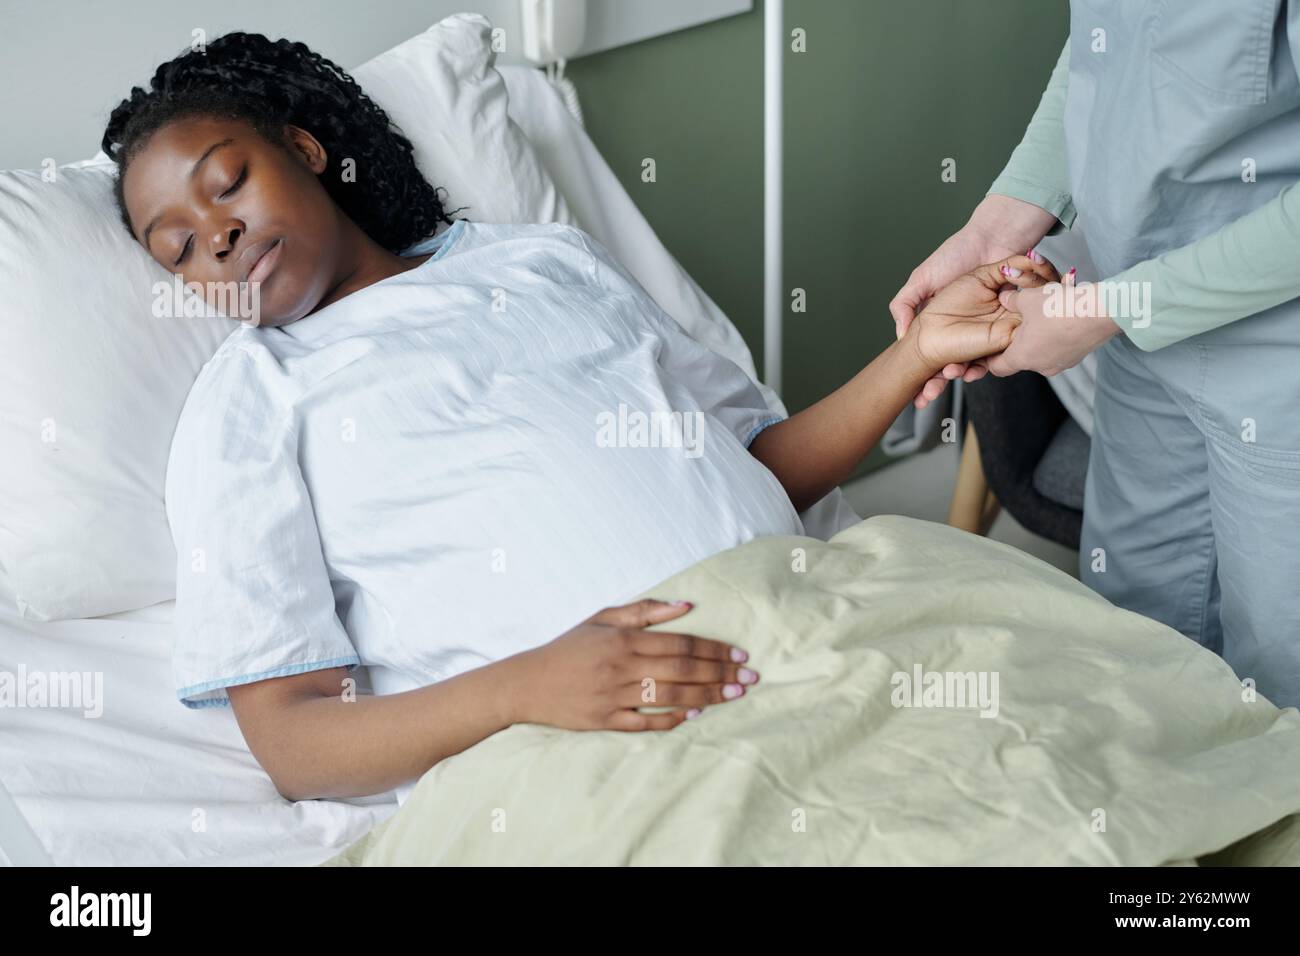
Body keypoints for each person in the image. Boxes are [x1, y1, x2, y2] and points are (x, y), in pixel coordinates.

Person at [103, 32, 1054, 800]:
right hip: (592, 742)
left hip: (818, 634)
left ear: (305, 152)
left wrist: (918, 351)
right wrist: (526, 686)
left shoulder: (543, 263)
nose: (216, 238)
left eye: (227, 184)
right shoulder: (250, 400)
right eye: (178, 247)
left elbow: (757, 464)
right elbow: (297, 744)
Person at [891, 1, 1300, 710]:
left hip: (1276, 358)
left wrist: (1107, 309)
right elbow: (1105, 52)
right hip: (1143, 334)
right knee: (1134, 644)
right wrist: (1000, 223)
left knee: (1282, 676)